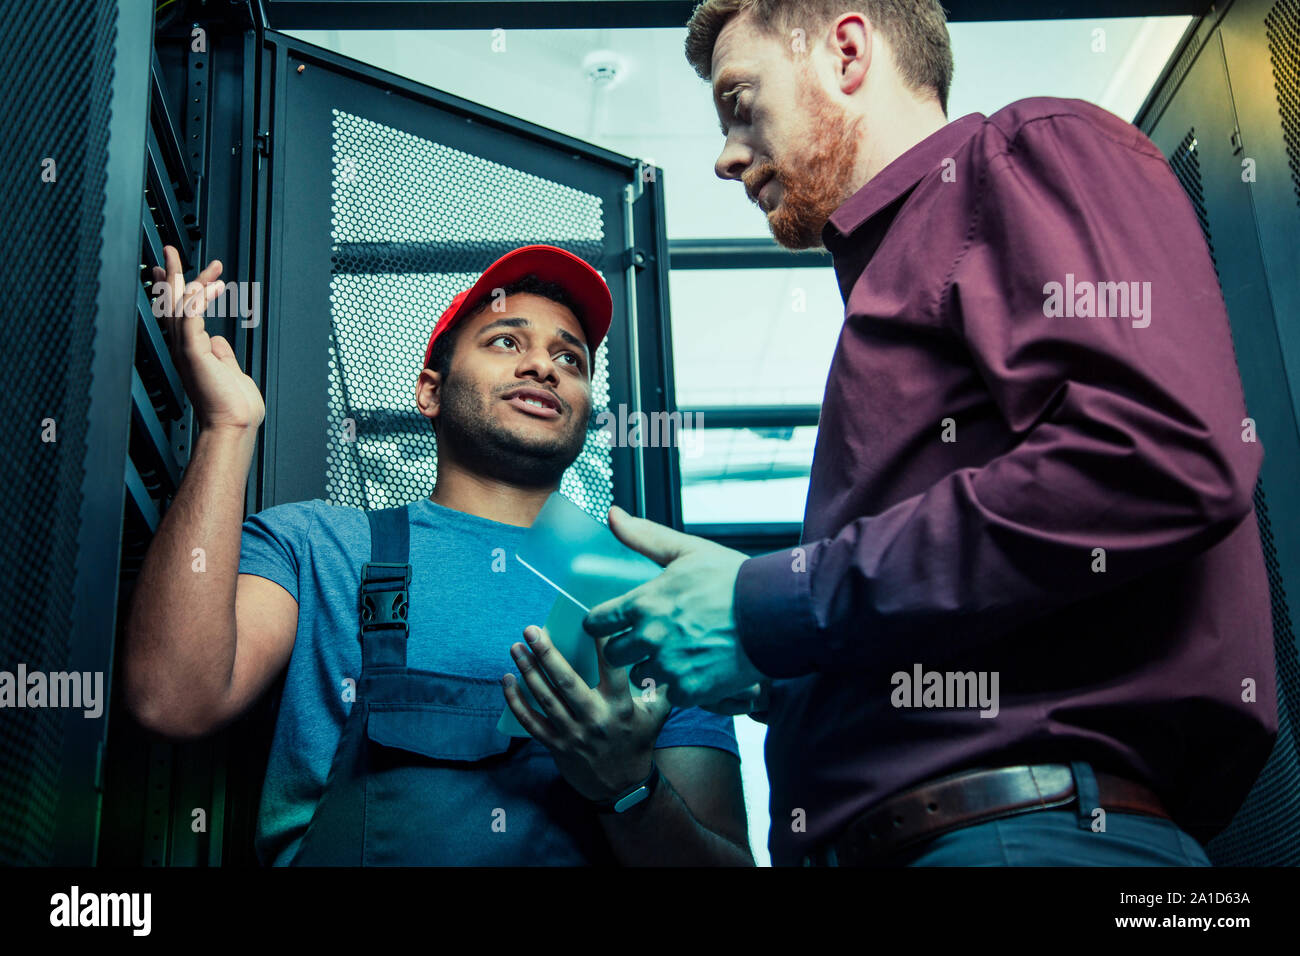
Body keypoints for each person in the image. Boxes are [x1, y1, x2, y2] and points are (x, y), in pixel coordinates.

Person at [582, 0, 1277, 867]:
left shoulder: (1025, 151)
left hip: (1027, 838)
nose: (726, 157)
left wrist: (765, 603)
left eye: (740, 101)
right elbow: (965, 615)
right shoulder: (887, 290)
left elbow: (1156, 451)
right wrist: (772, 670)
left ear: (845, 51)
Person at [125, 242, 752, 866]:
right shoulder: (319, 548)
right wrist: (226, 427)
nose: (544, 366)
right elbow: (173, 697)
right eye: (507, 341)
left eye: (571, 358)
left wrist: (627, 788)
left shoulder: (650, 601)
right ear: (431, 392)